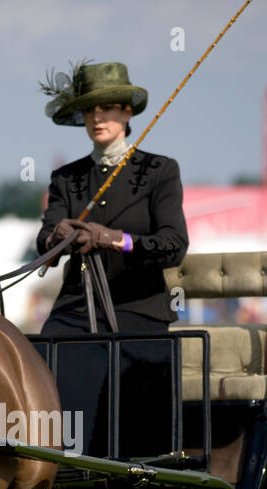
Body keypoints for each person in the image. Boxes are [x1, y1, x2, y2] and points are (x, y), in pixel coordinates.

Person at [36, 61, 188, 335]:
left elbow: (174, 245)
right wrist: (57, 238)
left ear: (127, 112)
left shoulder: (161, 170)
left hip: (140, 306)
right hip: (75, 308)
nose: (97, 118)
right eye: (90, 111)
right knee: (44, 357)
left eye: (106, 108)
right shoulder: (65, 178)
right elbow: (44, 241)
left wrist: (116, 240)